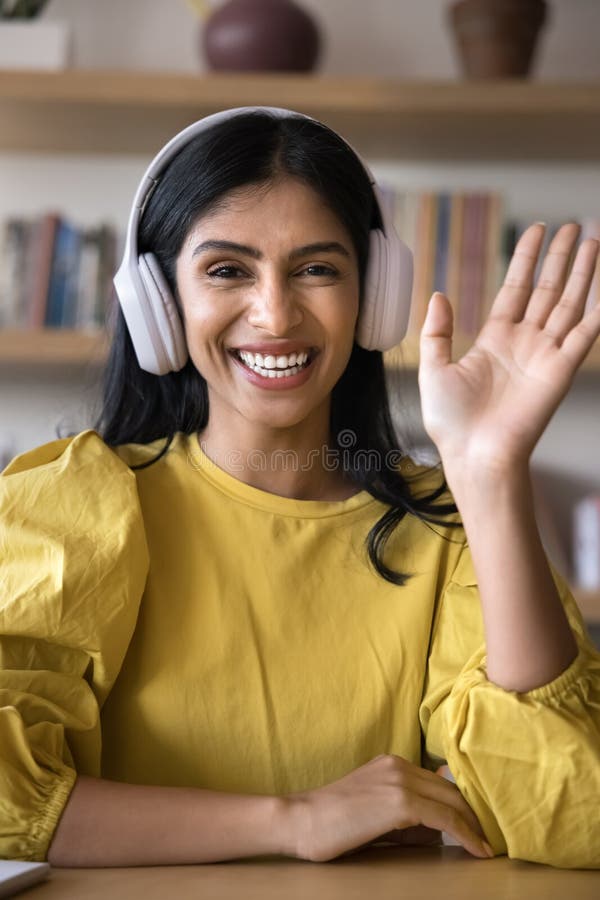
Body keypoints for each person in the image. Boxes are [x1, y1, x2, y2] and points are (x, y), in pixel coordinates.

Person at [0, 107, 599, 869]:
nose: (276, 314)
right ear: (159, 301)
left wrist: (489, 470)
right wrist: (292, 821)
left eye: (317, 268)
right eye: (226, 270)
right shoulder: (76, 503)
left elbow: (576, 813)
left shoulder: (452, 527)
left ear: (374, 299)